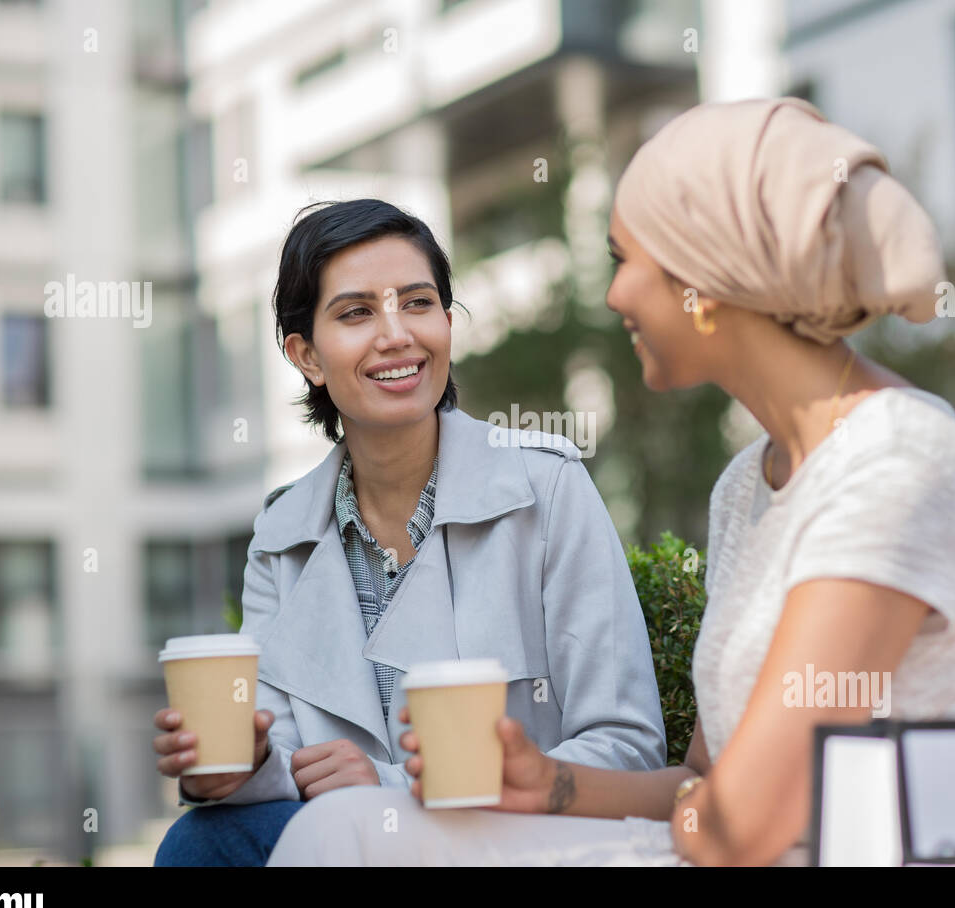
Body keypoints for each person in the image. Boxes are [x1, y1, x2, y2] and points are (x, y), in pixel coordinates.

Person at [264, 97, 955, 867]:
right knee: (343, 832)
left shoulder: (893, 465)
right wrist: (548, 784)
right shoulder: (751, 484)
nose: (615, 296)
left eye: (625, 261)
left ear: (701, 284)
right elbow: (701, 788)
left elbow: (739, 830)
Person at [152, 199, 667, 866]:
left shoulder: (547, 489)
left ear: (448, 324)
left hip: (512, 845)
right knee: (201, 842)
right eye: (357, 312)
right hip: (341, 849)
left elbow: (626, 750)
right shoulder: (282, 534)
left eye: (418, 303)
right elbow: (285, 765)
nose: (397, 335)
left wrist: (390, 792)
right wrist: (236, 770)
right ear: (305, 354)